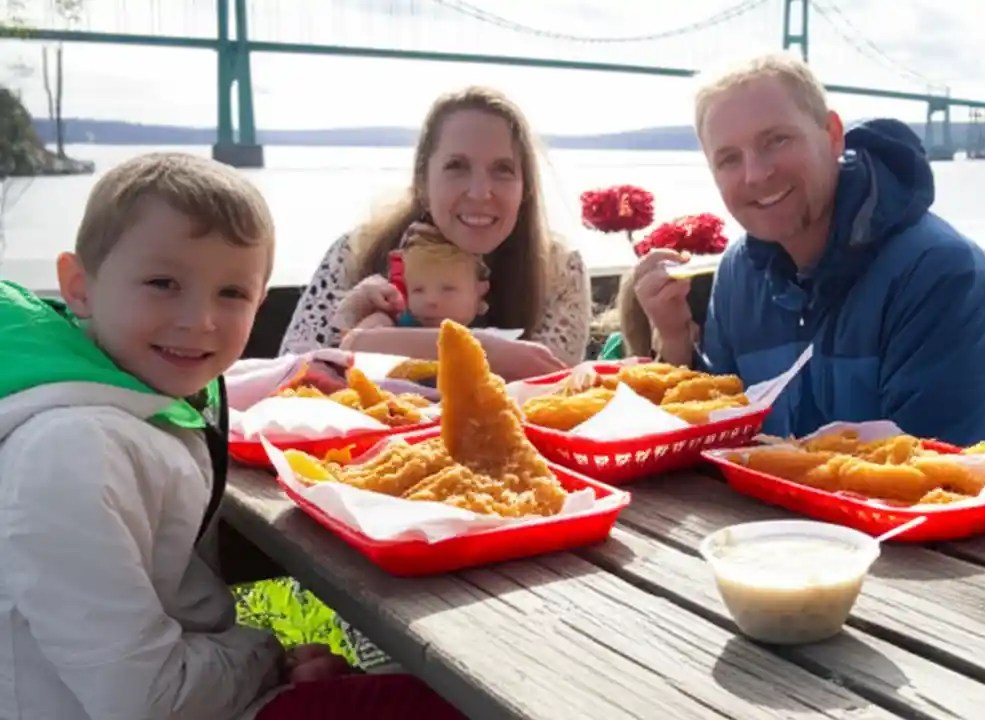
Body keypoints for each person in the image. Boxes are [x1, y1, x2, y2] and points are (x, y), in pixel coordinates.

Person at [0, 152, 464, 719]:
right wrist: (264, 657)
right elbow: (142, 701)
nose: (200, 321)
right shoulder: (69, 453)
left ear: (259, 301)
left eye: (231, 294)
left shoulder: (135, 401)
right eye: (162, 283)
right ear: (79, 286)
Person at [628, 52, 985, 444]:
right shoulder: (740, 272)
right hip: (785, 511)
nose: (756, 173)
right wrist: (676, 342)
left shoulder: (938, 270)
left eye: (776, 140)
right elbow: (722, 433)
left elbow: (941, 479)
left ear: (833, 135)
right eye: (729, 159)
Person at [281, 85, 591, 381]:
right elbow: (289, 380)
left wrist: (397, 345)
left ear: (526, 189)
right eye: (457, 166)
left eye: (503, 169)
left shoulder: (560, 271)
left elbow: (552, 391)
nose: (481, 192)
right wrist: (486, 350)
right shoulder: (354, 253)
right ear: (422, 181)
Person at [337, 229, 490, 332]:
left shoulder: (491, 337)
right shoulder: (393, 325)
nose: (430, 300)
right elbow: (352, 344)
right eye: (418, 290)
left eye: (448, 289)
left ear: (479, 291)